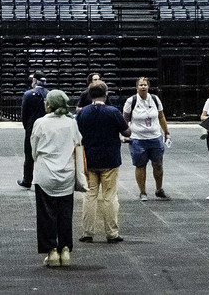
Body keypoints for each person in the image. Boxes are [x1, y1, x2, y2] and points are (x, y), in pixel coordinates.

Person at [30, 89, 83, 268]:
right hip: (66, 175)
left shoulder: (40, 123)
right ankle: (65, 250)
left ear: (49, 104)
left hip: (45, 174)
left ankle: (52, 251)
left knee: (46, 214)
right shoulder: (71, 123)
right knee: (65, 214)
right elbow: (78, 143)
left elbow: (34, 149)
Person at [75, 81, 129, 243]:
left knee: (89, 196)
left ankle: (87, 232)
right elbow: (126, 131)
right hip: (110, 159)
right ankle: (112, 233)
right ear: (106, 94)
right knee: (109, 197)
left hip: (89, 159)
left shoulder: (83, 113)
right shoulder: (113, 111)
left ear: (90, 95)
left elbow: (77, 133)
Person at [122, 77, 170, 201]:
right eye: (140, 85)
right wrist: (123, 133)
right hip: (138, 139)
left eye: (145, 85)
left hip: (155, 137)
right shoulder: (130, 101)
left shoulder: (155, 99)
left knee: (158, 165)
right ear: (137, 87)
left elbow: (161, 116)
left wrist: (166, 132)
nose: (143, 87)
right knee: (140, 165)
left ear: (148, 86)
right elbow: (125, 119)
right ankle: (142, 192)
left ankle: (159, 190)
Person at [18, 73, 49, 189]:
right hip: (46, 127)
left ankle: (27, 180)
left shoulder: (28, 94)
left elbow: (23, 114)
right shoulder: (49, 94)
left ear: (34, 80)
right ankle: (43, 181)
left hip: (32, 126)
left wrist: (27, 127)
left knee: (29, 155)